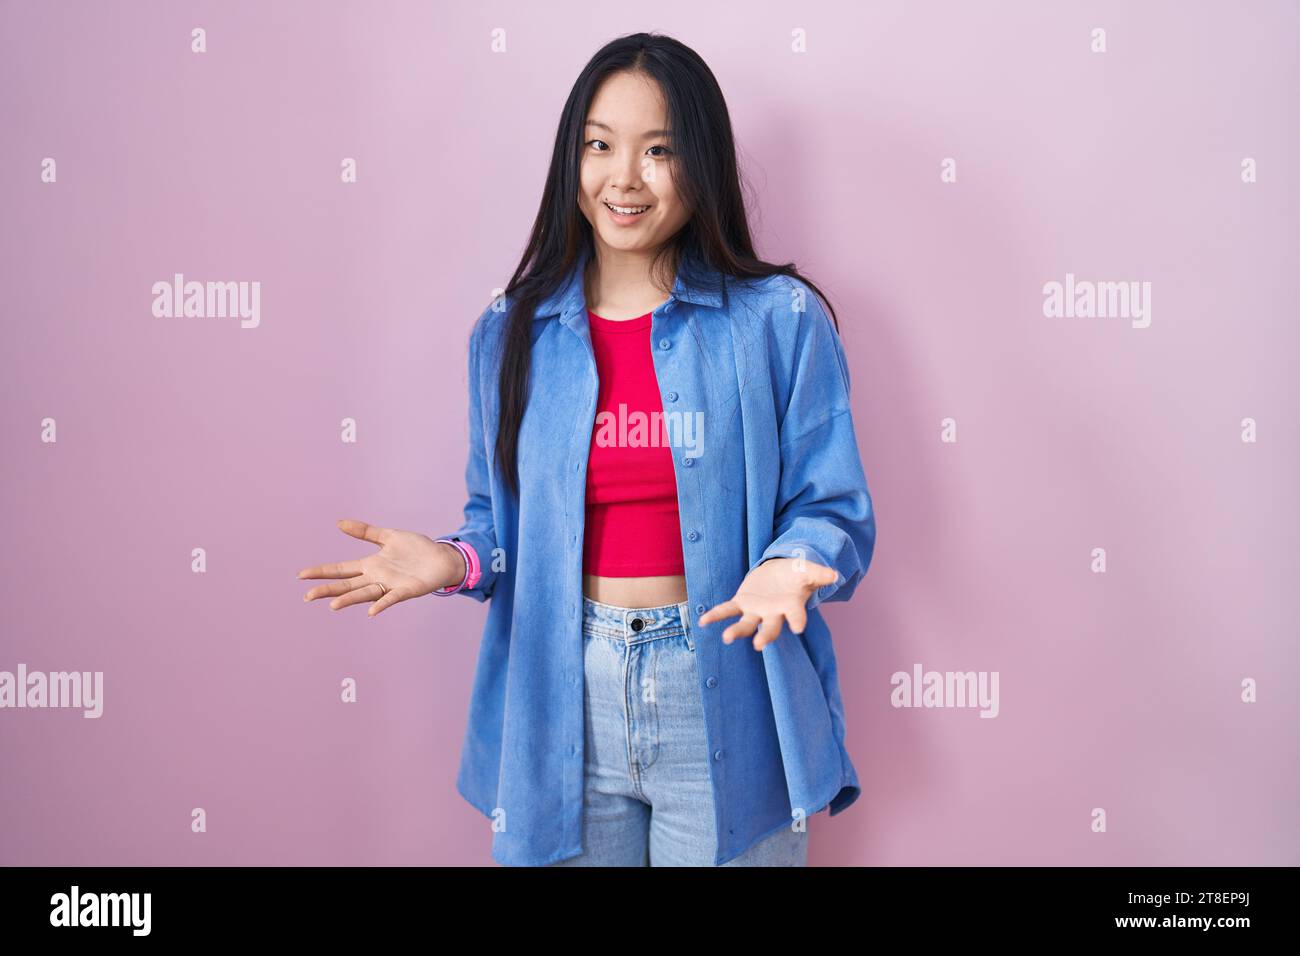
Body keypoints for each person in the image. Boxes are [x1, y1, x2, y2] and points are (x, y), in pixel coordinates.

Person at [299, 31, 876, 867]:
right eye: (600, 146)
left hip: (725, 681)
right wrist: (451, 562)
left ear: (702, 164)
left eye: (660, 151)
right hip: (562, 692)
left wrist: (793, 561)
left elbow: (833, 507)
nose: (624, 179)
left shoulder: (778, 322)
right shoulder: (510, 335)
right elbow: (496, 530)